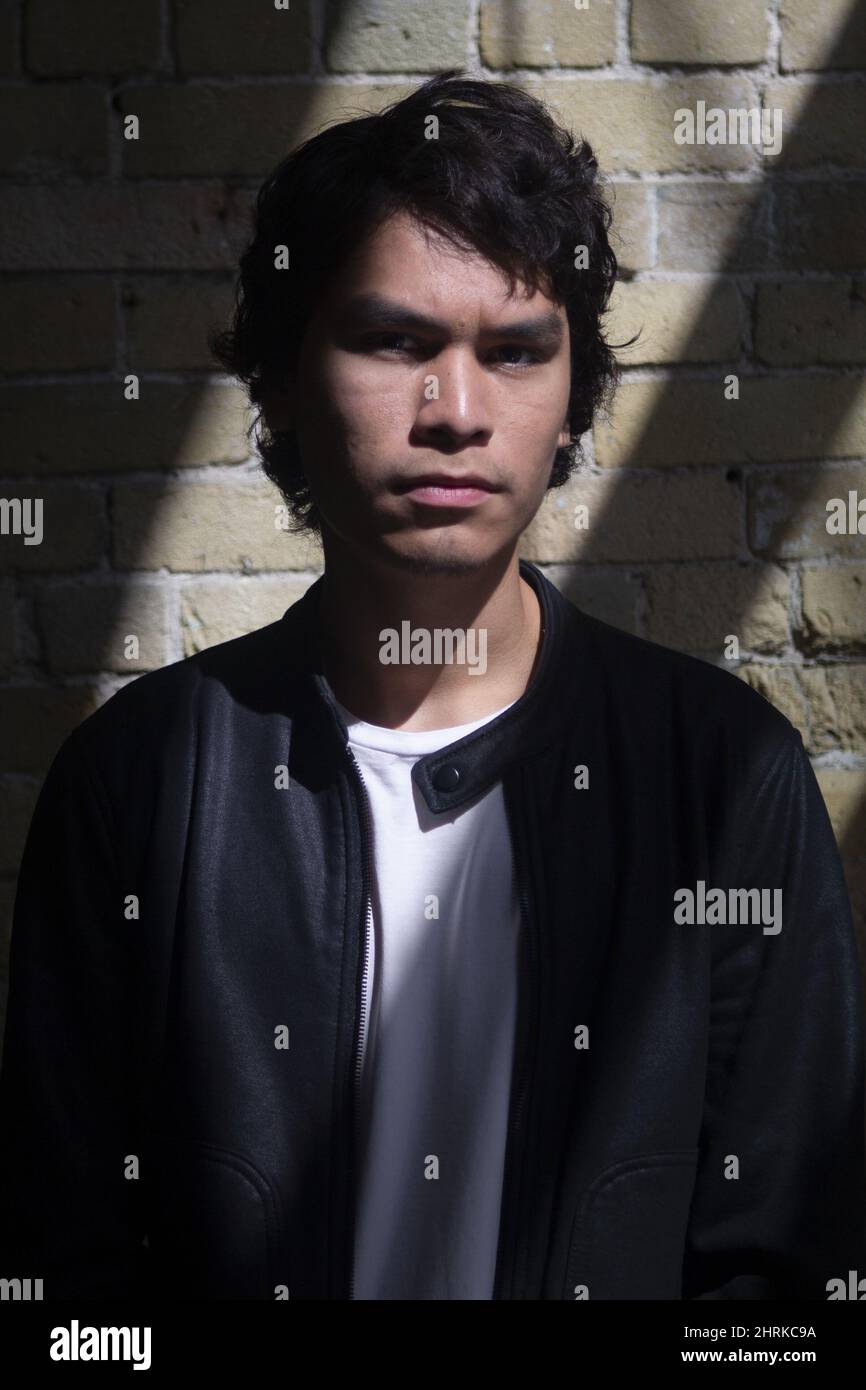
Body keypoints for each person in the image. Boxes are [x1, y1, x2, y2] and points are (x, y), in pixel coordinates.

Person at [0, 69, 864, 1301]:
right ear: (285, 380)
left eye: (513, 352)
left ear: (571, 402)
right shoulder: (138, 785)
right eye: (393, 340)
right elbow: (67, 1285)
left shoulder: (723, 780)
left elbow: (779, 1284)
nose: (454, 411)